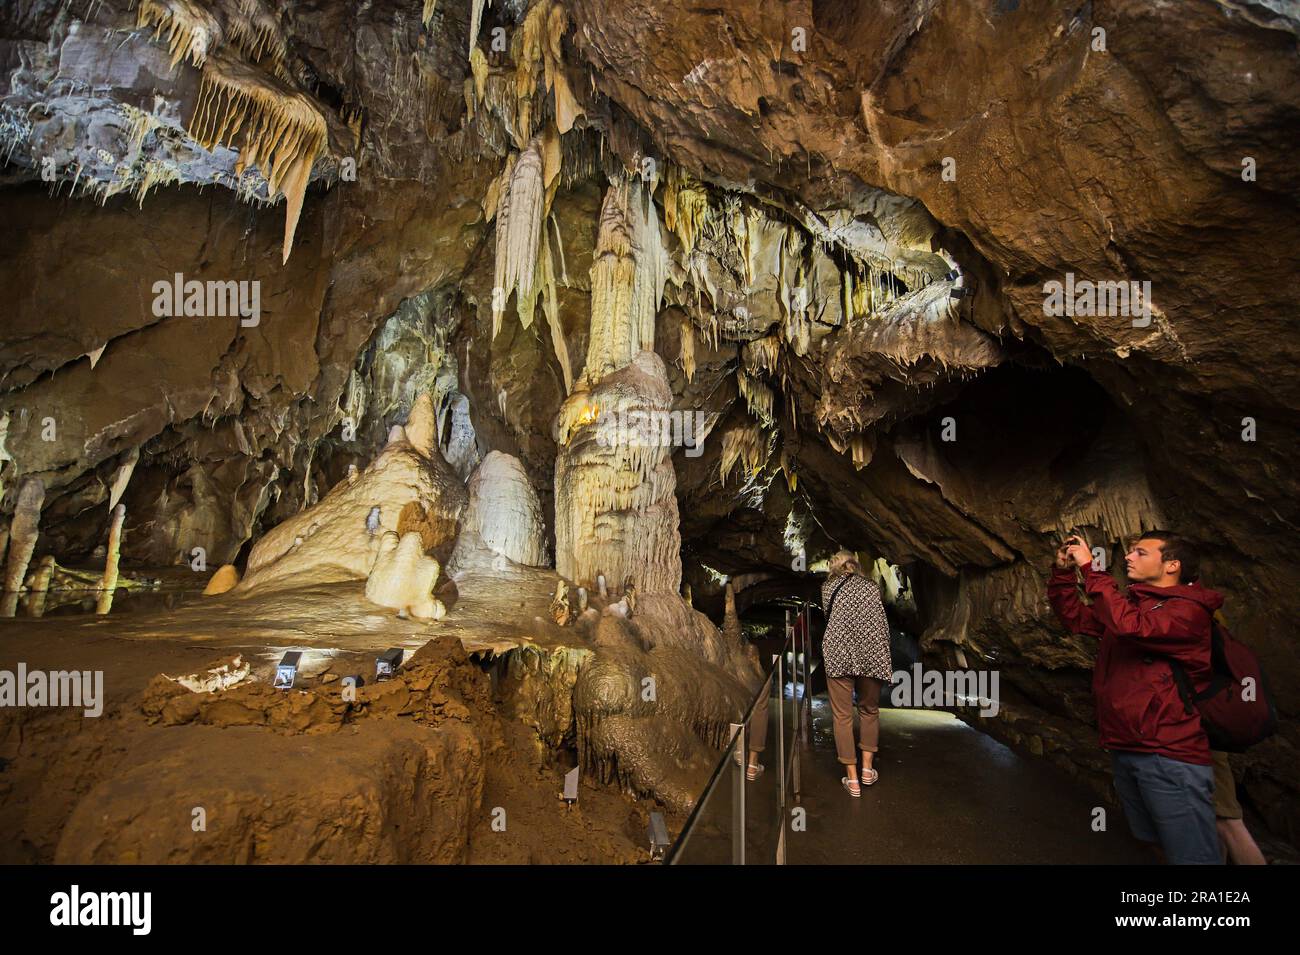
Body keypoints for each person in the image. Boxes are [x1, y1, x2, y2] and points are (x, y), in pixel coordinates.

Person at [1048, 531, 1222, 864]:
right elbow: (1075, 618)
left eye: (1140, 552)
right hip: (1127, 747)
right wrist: (1063, 574)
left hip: (1169, 753)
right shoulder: (1136, 606)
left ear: (1172, 565)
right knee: (1151, 843)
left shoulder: (1188, 611)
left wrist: (1090, 567)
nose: (1128, 557)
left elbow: (1132, 627)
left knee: (1192, 857)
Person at [821, 550, 892, 797]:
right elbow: (881, 621)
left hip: (838, 652)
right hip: (872, 654)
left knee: (842, 716)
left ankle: (852, 780)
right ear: (855, 565)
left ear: (834, 567)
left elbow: (828, 617)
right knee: (869, 710)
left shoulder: (828, 588)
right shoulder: (872, 587)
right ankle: (867, 769)